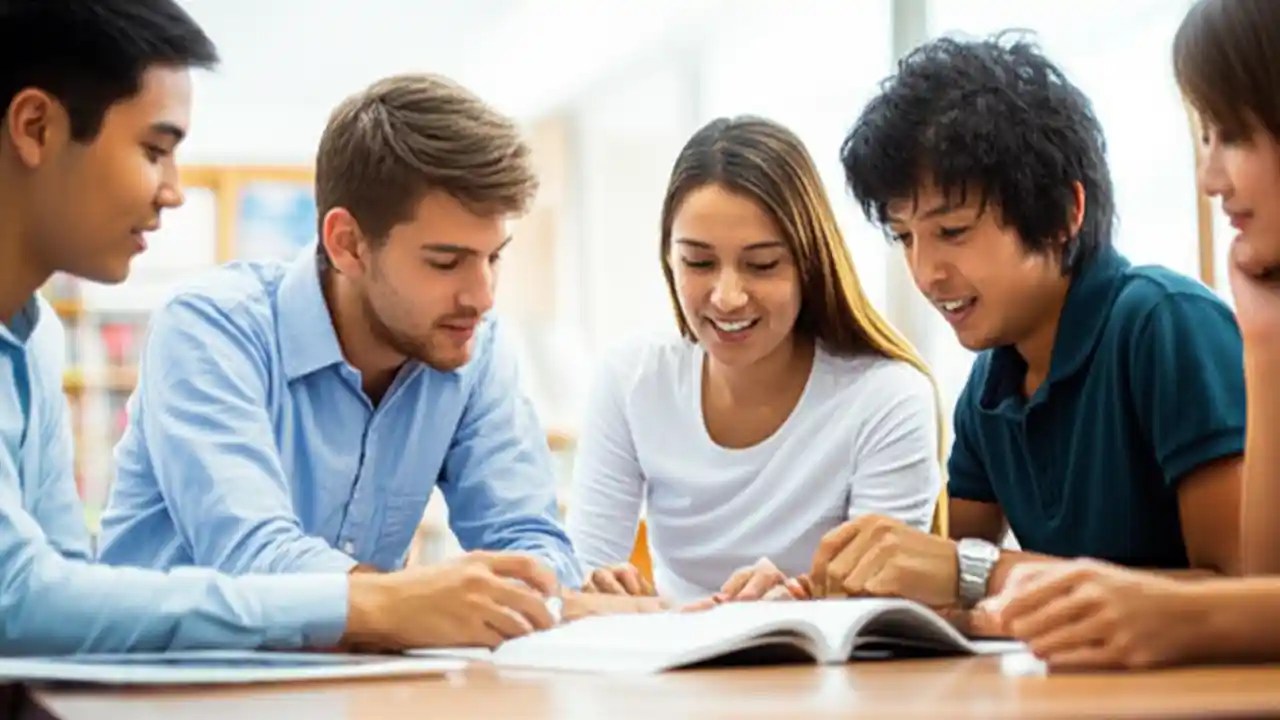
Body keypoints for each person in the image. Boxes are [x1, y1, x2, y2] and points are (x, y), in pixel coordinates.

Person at [0, 0, 564, 655]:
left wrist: (544, 596)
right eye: (155, 150)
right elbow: (20, 597)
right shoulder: (213, 325)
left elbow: (59, 594)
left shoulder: (34, 341)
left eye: (494, 257)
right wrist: (385, 603)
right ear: (35, 128)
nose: (174, 191)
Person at [97, 73, 584, 592]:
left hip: (351, 671)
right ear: (348, 244)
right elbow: (252, 557)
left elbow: (530, 541)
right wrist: (424, 601)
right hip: (175, 668)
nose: (482, 296)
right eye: (446, 262)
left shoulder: (473, 349)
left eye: (494, 258)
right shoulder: (210, 330)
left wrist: (554, 588)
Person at [812, 34, 1245, 611]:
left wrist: (977, 573)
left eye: (954, 232)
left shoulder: (1165, 325)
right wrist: (811, 593)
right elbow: (943, 578)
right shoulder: (991, 384)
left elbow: (1241, 593)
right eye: (904, 237)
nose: (926, 272)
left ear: (1065, 213)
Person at [985, 0, 1280, 671]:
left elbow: (1248, 598)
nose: (1210, 179)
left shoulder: (1159, 317)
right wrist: (1264, 343)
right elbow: (1270, 593)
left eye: (1231, 134)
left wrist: (1175, 614)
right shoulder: (1266, 317)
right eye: (1204, 139)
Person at [568, 116, 942, 604]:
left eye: (762, 265)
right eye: (698, 263)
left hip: (821, 672)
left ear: (810, 262)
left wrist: (797, 603)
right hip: (669, 666)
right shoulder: (630, 379)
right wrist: (604, 595)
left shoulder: (886, 397)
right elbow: (583, 582)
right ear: (668, 259)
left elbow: (876, 608)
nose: (726, 297)